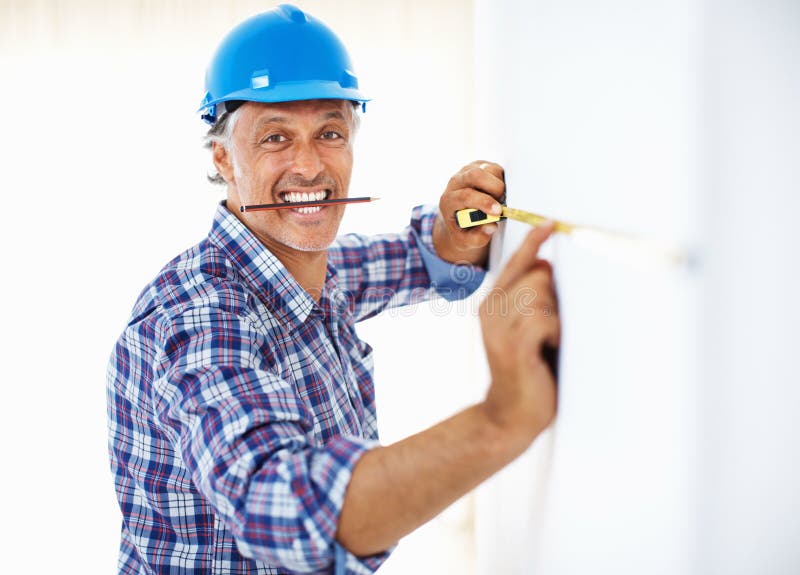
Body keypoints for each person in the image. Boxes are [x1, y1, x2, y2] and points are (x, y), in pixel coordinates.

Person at [106, 5, 560, 574]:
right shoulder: (195, 315)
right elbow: (285, 510)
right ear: (223, 158)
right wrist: (504, 416)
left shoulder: (314, 269)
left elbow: (426, 257)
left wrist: (454, 231)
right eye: (275, 137)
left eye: (329, 133)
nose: (309, 165)